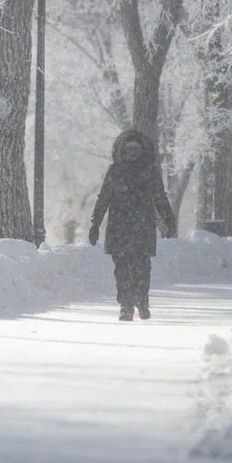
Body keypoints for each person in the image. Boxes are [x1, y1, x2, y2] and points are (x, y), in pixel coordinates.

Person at [88, 129, 177, 321]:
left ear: (143, 149)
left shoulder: (150, 171)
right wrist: (95, 224)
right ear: (122, 149)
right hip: (119, 226)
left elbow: (160, 197)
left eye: (136, 147)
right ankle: (126, 305)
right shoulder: (115, 171)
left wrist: (169, 220)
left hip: (143, 226)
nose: (132, 151)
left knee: (142, 267)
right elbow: (103, 198)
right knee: (121, 268)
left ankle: (142, 301)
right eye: (129, 147)